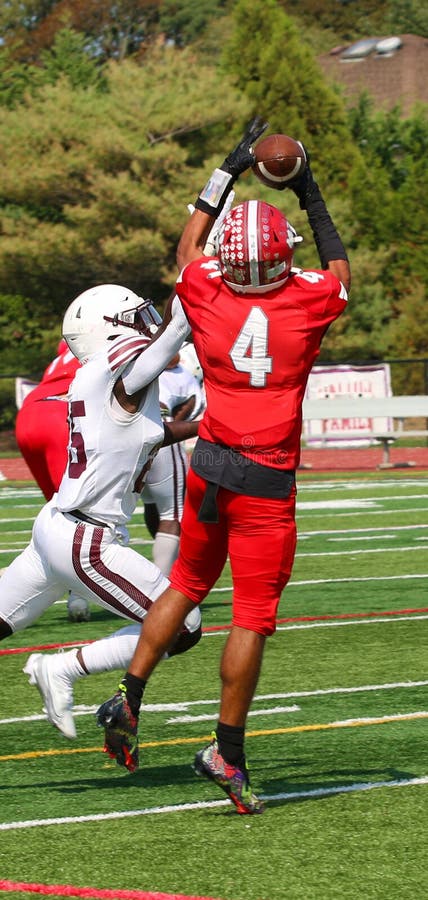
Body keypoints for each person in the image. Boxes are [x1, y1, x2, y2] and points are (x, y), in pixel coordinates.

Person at [96, 119, 351, 815]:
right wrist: (309, 187)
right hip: (266, 483)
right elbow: (337, 269)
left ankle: (130, 693)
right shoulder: (307, 301)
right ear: (277, 260)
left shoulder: (205, 289)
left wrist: (227, 171)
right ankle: (225, 753)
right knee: (252, 617)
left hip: (209, 462)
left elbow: (187, 249)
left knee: (185, 582)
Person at [1, 283, 203, 737]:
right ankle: (63, 668)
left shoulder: (97, 379)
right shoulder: (119, 372)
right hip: (85, 542)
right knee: (183, 625)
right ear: (109, 328)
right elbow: (174, 332)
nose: (145, 322)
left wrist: (209, 425)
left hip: (55, 526)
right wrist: (199, 282)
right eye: (134, 316)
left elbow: (142, 433)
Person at [15, 341, 91, 622]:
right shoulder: (111, 343)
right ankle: (78, 593)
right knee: (76, 510)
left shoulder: (63, 356)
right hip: (59, 415)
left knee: (55, 508)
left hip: (29, 414)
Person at [142, 354, 204, 576]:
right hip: (158, 425)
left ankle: (81, 595)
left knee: (143, 504)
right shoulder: (185, 377)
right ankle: (162, 584)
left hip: (120, 428)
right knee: (174, 512)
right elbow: (179, 421)